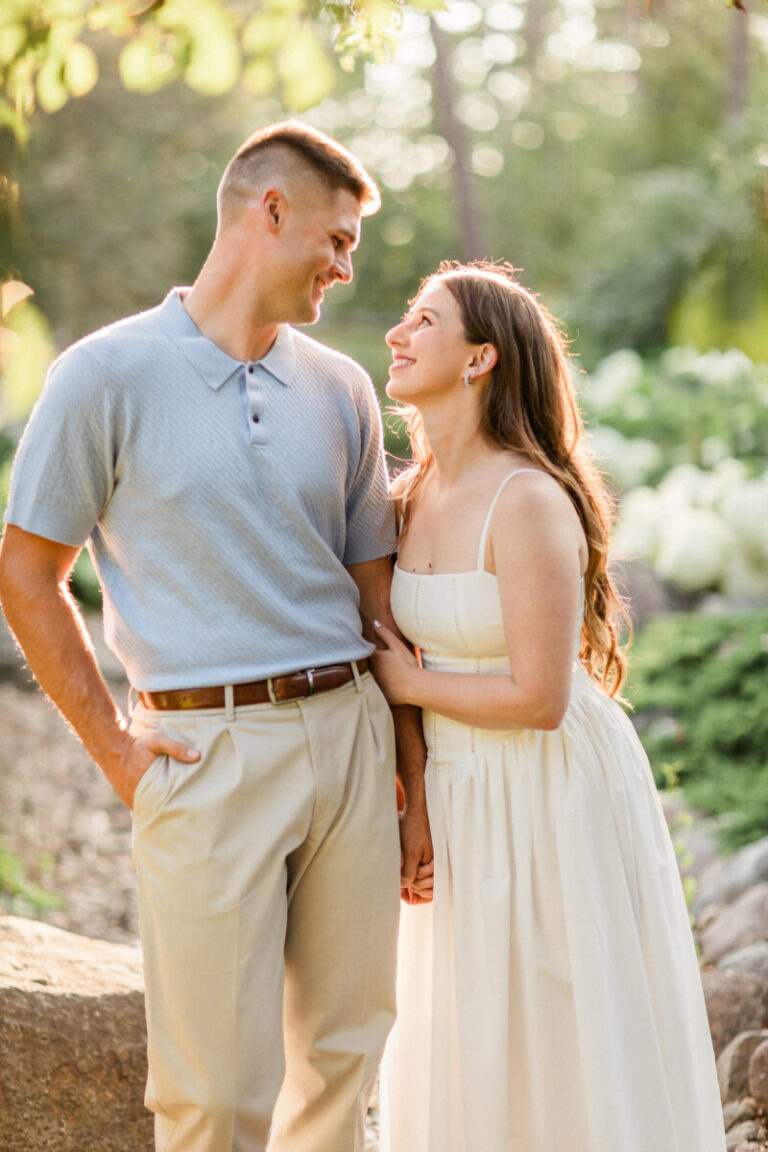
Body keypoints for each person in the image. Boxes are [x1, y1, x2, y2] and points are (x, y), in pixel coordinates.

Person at [0, 121, 430, 1152]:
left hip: (350, 743)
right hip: (207, 753)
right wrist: (115, 749)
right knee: (214, 1094)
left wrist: (409, 779)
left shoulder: (343, 390)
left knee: (343, 1063)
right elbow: (26, 572)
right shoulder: (103, 375)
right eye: (336, 239)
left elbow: (380, 603)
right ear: (268, 212)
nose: (343, 265)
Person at [371, 261, 726, 1152]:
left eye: (424, 320)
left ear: (481, 358)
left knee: (560, 1022)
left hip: (546, 782)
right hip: (458, 780)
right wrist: (412, 796)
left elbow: (540, 696)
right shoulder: (408, 496)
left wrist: (409, 685)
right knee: (467, 1026)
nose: (396, 334)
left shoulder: (526, 498)